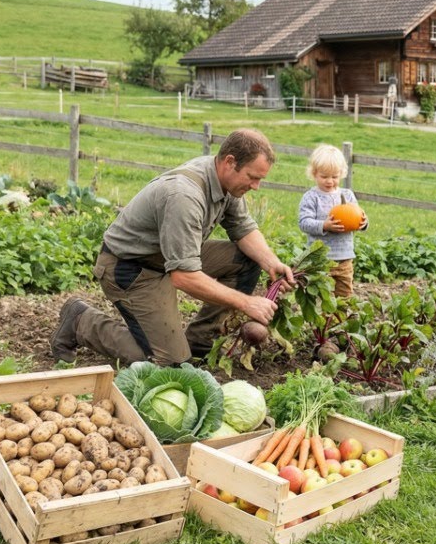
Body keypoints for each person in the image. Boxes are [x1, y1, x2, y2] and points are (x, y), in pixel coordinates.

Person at [52, 129, 295, 366]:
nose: (256, 186)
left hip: (168, 257)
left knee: (247, 260)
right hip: (131, 268)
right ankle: (82, 321)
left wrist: (271, 262)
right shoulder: (184, 196)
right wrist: (246, 302)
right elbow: (185, 277)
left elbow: (243, 228)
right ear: (230, 162)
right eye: (253, 177)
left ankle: (200, 341)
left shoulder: (226, 183)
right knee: (168, 364)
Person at [297, 143, 367, 298]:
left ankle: (340, 320)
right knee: (322, 296)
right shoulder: (311, 197)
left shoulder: (347, 196)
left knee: (344, 295)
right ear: (314, 173)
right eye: (324, 176)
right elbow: (304, 222)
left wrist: (363, 223)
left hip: (344, 259)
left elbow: (356, 216)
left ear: (341, 174)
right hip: (321, 260)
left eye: (334, 177)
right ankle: (322, 321)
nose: (329, 181)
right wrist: (324, 225)